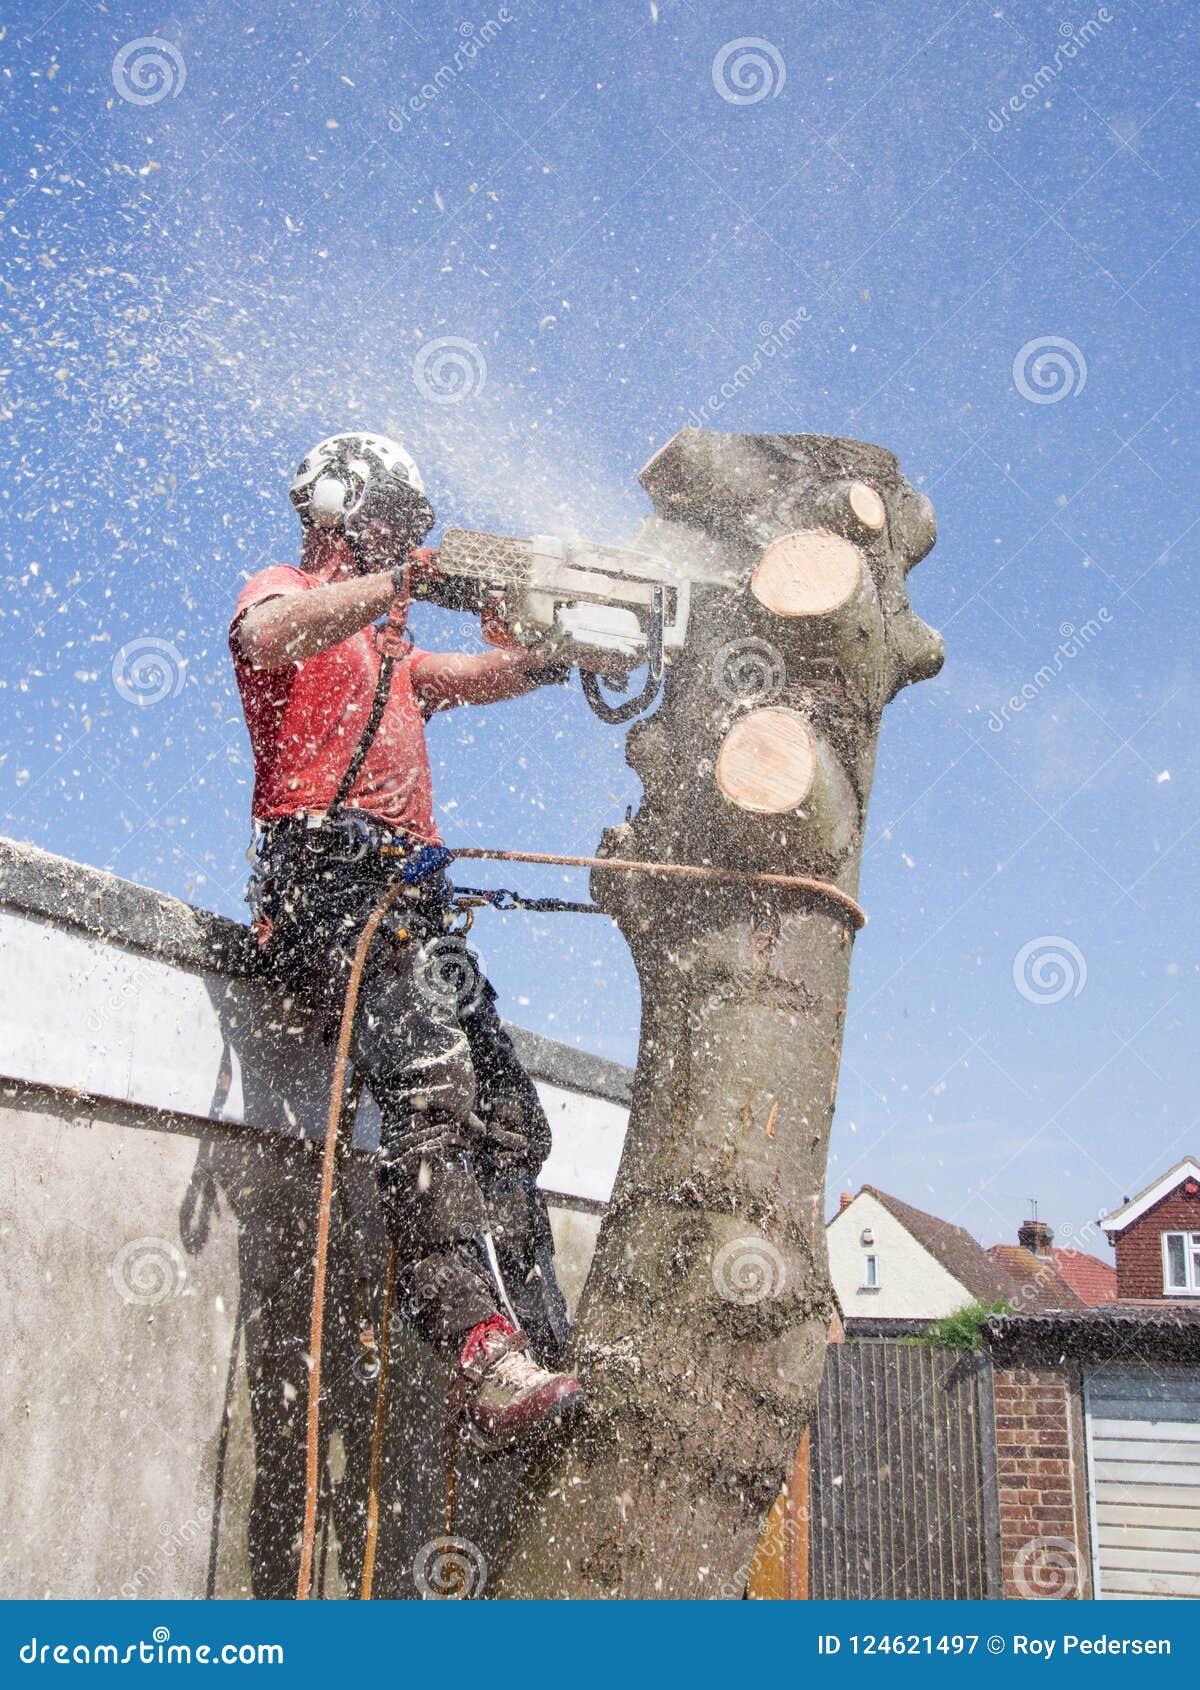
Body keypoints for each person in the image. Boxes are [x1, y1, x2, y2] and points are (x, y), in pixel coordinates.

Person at [229, 431, 583, 1449]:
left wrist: (564, 647)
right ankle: (479, 1352)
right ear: (336, 503)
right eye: (384, 518)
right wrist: (401, 582)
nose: (396, 537)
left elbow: (491, 671)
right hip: (323, 889)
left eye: (407, 528)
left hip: (410, 908)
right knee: (433, 1090)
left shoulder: (400, 658)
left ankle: (546, 1343)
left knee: (509, 1116)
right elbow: (269, 636)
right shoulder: (287, 590)